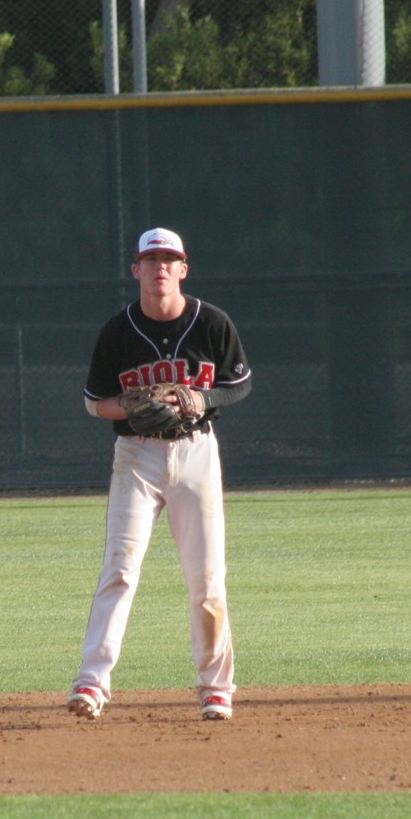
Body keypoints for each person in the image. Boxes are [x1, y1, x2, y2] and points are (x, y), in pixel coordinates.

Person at [68, 228, 252, 722]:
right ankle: (91, 683)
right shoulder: (117, 332)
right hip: (136, 457)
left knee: (207, 579)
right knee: (120, 570)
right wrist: (128, 404)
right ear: (136, 270)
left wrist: (203, 398)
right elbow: (93, 404)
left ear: (183, 268)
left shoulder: (212, 322)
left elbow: (238, 384)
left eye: (170, 259)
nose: (160, 268)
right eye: (151, 260)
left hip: (195, 454)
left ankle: (216, 688)